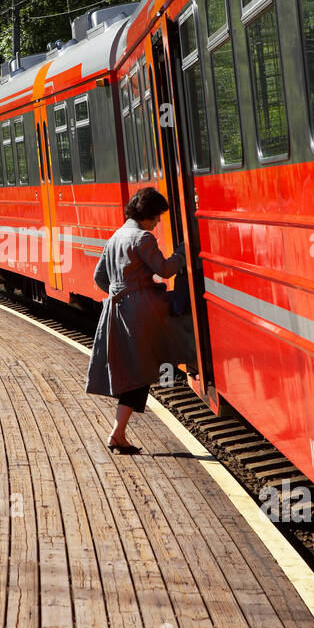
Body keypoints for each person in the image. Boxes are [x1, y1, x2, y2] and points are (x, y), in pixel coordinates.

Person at [85, 186, 187, 454]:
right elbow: (165, 271)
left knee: (136, 371)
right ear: (147, 215)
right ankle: (117, 434)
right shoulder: (143, 238)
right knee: (141, 370)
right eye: (156, 218)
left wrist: (119, 292)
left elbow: (99, 278)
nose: (157, 223)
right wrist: (182, 253)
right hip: (140, 313)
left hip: (117, 311)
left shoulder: (116, 236)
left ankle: (118, 434)